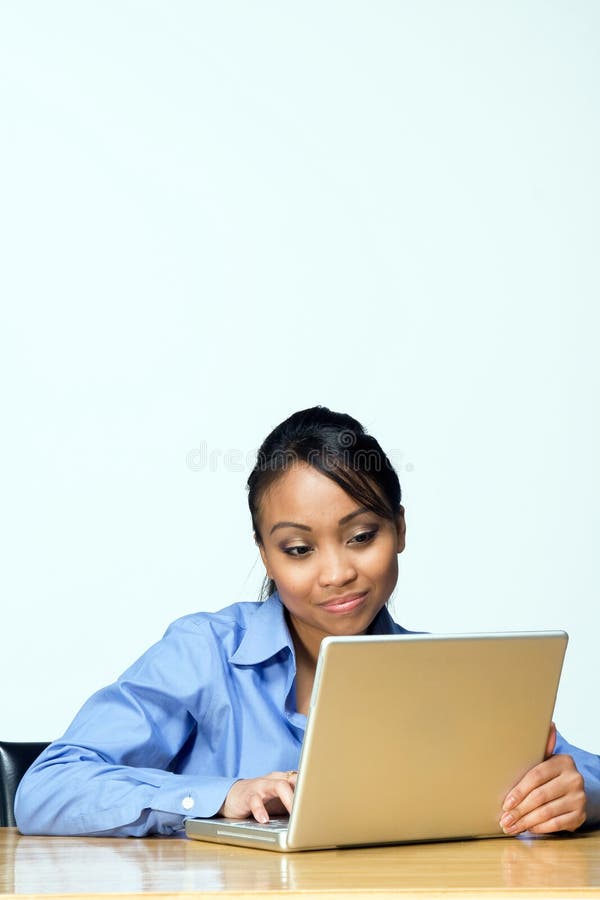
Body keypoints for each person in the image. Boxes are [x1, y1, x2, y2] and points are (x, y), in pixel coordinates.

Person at [15, 406, 600, 836]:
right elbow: (44, 789)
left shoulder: (448, 673)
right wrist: (224, 796)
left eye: (362, 537)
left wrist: (582, 794)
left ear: (399, 528)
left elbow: (575, 771)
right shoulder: (204, 652)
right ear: (264, 552)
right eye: (299, 549)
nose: (336, 572)